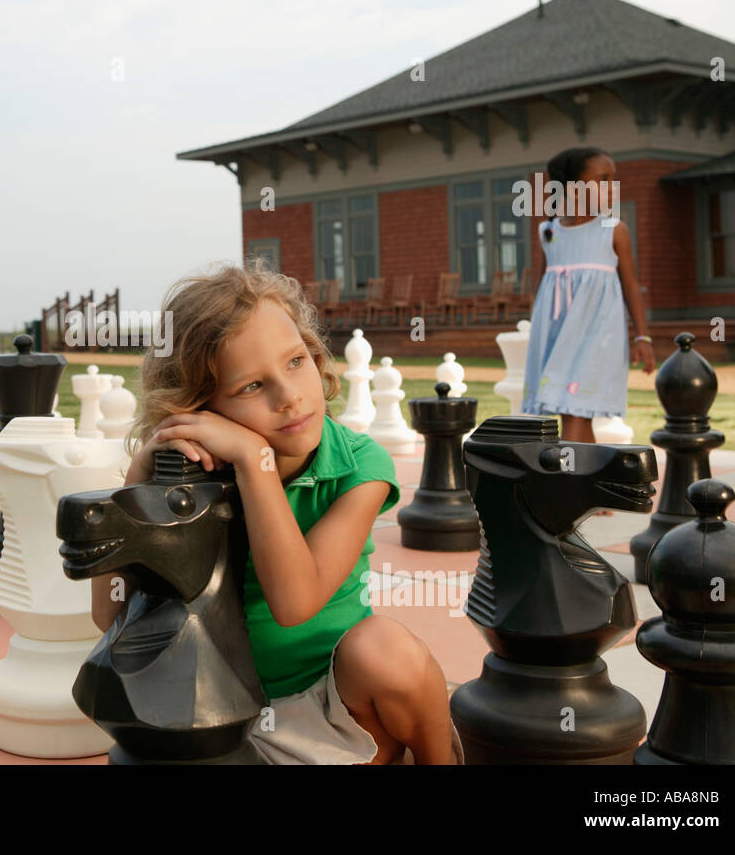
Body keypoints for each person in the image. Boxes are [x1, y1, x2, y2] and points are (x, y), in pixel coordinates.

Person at [90, 263, 461, 764]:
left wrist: (255, 462)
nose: (289, 397)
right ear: (200, 407)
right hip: (227, 719)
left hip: (340, 710)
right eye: (251, 387)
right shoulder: (194, 485)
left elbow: (294, 602)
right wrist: (140, 480)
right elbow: (109, 618)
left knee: (384, 648)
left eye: (295, 362)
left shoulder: (360, 467)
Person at [521, 147, 656, 443]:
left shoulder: (613, 228)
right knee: (572, 409)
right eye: (602, 179)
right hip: (558, 331)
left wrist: (642, 337)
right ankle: (588, 482)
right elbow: (543, 284)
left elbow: (631, 285)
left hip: (598, 331)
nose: (612, 187)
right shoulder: (550, 230)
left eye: (613, 179)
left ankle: (571, 480)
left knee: (576, 409)